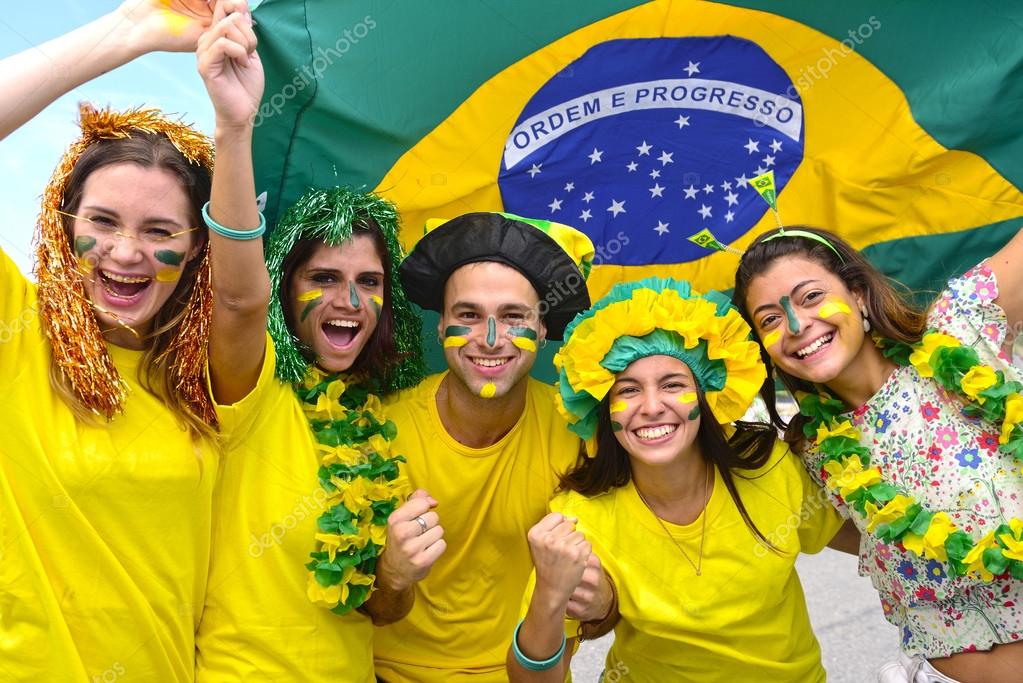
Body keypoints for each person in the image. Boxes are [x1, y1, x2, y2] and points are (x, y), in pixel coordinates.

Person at [192, 4, 435, 680]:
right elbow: (237, 297)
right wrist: (234, 127)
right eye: (323, 277)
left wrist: (395, 572)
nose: (348, 301)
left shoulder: (380, 420)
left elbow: (381, 610)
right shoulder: (250, 384)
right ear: (285, 286)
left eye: (368, 281)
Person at [0, 2, 222, 680]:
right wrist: (135, 31)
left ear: (196, 251)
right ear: (64, 227)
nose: (125, 252)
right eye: (102, 220)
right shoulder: (17, 330)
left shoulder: (217, 373)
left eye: (160, 231)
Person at [507, 277, 845, 681]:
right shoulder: (580, 520)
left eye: (673, 385)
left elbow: (866, 538)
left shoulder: (769, 466)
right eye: (628, 390)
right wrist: (549, 596)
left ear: (706, 396)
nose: (651, 407)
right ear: (603, 409)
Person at [733, 226, 1023, 682]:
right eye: (769, 319)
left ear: (860, 295)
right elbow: (847, 535)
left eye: (810, 297)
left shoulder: (960, 330)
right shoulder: (811, 453)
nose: (795, 325)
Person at [372, 212, 595, 682]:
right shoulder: (380, 429)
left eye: (513, 317)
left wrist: (602, 601)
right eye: (469, 315)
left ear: (541, 330)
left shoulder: (581, 433)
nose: (490, 339)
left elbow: (593, 613)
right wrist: (392, 575)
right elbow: (374, 609)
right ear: (440, 328)